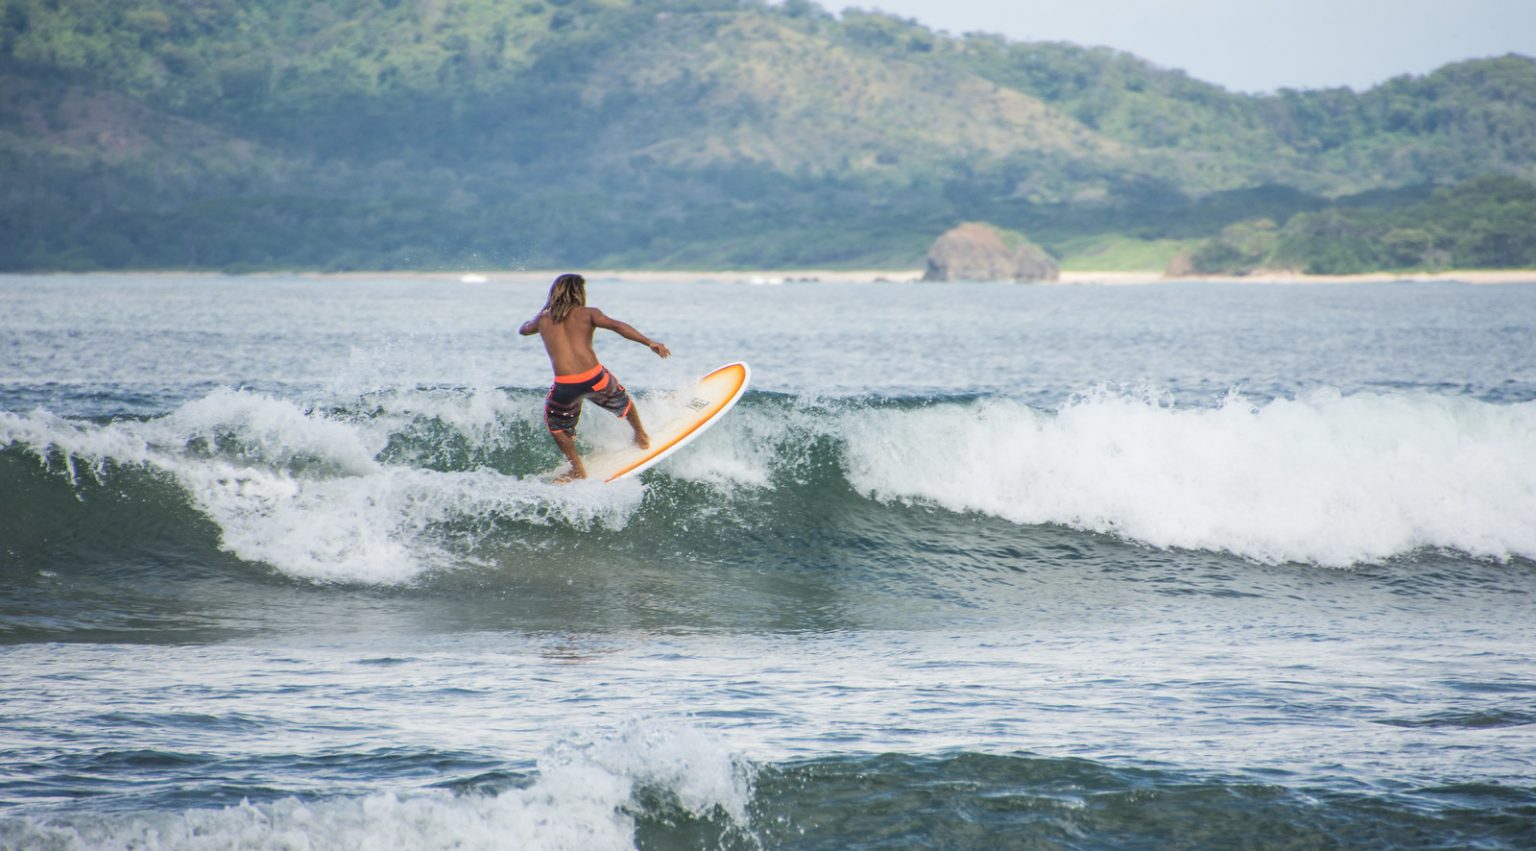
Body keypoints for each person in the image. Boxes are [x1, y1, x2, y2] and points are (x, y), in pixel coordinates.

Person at [519, 273, 670, 481]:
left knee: (557, 426)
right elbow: (617, 326)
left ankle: (577, 470)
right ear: (580, 293)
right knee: (622, 400)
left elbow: (524, 330)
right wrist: (649, 342)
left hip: (565, 386)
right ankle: (641, 435)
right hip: (594, 377)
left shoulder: (543, 319)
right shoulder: (589, 313)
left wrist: (544, 310)